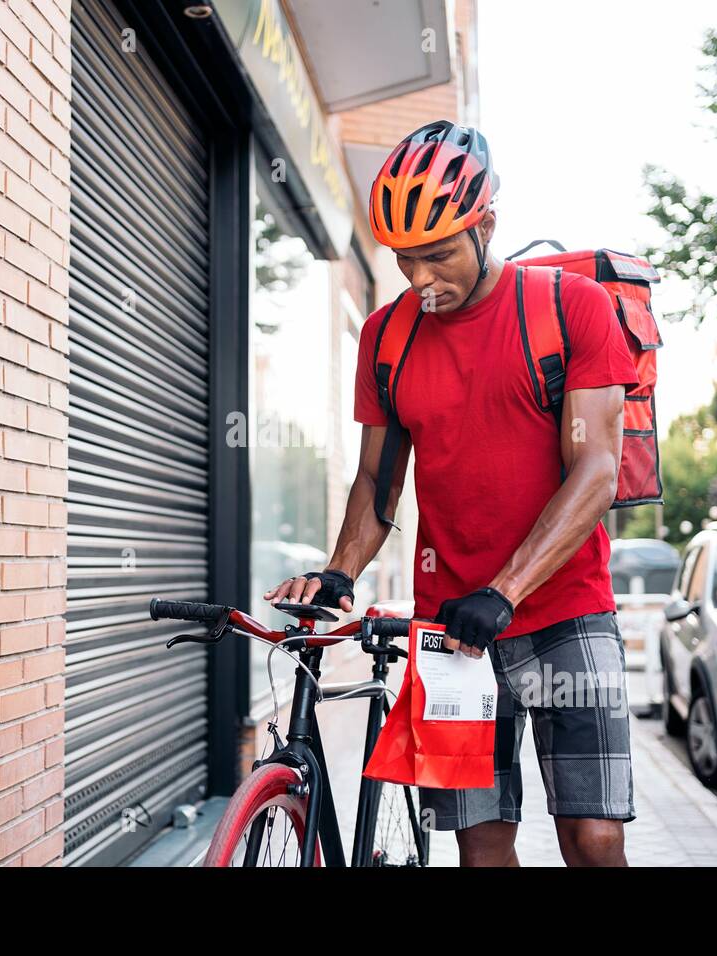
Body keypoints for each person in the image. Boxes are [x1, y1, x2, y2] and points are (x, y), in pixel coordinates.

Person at [263, 120, 639, 866]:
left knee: (593, 840)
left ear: (487, 224)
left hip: (567, 612)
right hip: (451, 635)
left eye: (439, 255)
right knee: (479, 846)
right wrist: (339, 572)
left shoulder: (570, 310)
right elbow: (377, 480)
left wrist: (505, 588)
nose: (423, 278)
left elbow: (596, 469)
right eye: (406, 260)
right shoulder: (386, 338)